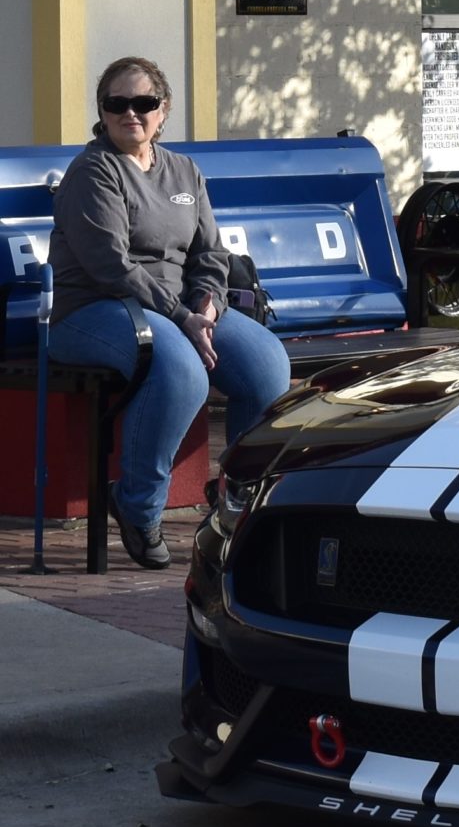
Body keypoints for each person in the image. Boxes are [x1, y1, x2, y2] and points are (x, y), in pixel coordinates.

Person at [46, 57, 291, 569]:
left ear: (164, 109)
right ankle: (137, 506)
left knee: (267, 363)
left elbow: (210, 253)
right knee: (181, 370)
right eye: (116, 103)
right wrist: (183, 318)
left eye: (143, 102)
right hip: (95, 310)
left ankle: (236, 501)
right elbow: (111, 267)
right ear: (102, 111)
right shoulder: (94, 171)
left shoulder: (184, 170)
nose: (129, 113)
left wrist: (208, 303)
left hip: (178, 311)